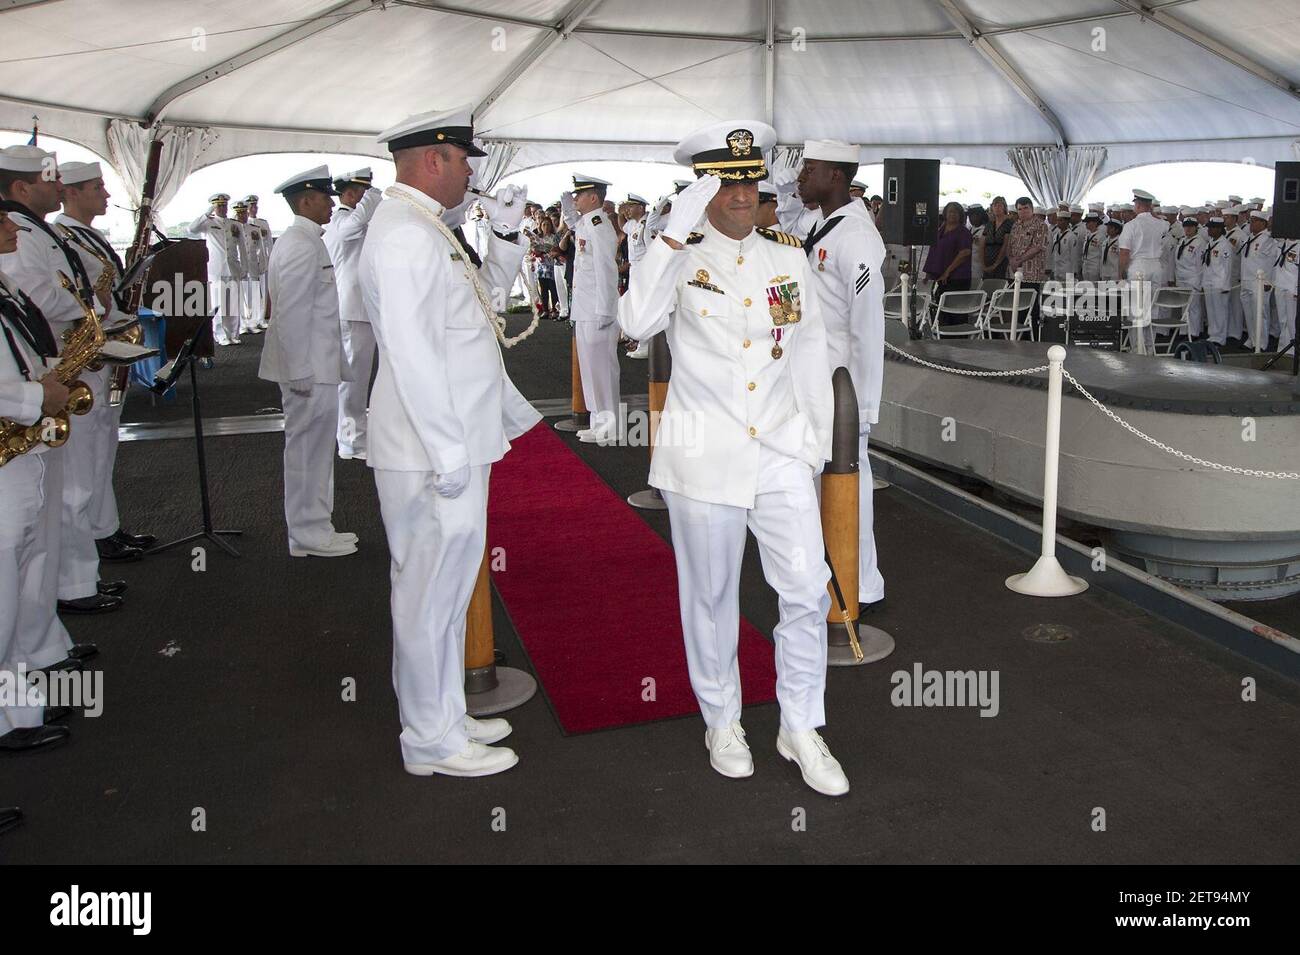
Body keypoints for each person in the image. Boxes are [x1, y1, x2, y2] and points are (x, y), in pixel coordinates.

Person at [619, 120, 849, 797]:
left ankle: (800, 723)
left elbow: (809, 352)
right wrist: (670, 231)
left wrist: (811, 444)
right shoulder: (678, 253)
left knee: (806, 589)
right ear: (703, 187)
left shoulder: (786, 254)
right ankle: (722, 718)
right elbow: (634, 324)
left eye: (749, 178)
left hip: (779, 450)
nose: (742, 192)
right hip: (704, 455)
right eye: (725, 180)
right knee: (713, 597)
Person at [360, 106, 539, 778]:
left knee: (447, 587)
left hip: (454, 436)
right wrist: (447, 449)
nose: (470, 173)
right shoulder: (405, 234)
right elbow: (410, 353)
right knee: (429, 590)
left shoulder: (425, 227)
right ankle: (429, 740)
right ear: (434, 158)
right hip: (431, 447)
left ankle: (442, 713)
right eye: (465, 160)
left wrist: (508, 235)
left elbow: (483, 303)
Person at [0, 146, 127, 616]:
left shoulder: (38, 229)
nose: (60, 187)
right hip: (44, 378)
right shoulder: (26, 235)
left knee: (72, 484)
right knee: (64, 490)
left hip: (61, 368)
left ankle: (75, 580)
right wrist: (88, 312)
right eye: (51, 180)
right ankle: (73, 585)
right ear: (21, 188)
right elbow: (40, 298)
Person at [796, 138, 887, 615]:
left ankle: (859, 582)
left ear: (835, 176)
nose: (800, 174)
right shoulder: (818, 224)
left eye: (809, 167)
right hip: (816, 383)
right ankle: (836, 574)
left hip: (843, 390)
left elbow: (868, 324)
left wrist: (865, 402)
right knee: (822, 483)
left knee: (849, 484)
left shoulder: (856, 237)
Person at [0, 205, 77, 758]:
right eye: (1, 221)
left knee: (16, 585)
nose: (12, 229)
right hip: (7, 452)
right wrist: (37, 397)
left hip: (19, 454)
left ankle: (13, 709)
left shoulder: (4, 285)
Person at [52, 161, 154, 571]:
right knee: (87, 451)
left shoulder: (87, 235)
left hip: (109, 347)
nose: (106, 195)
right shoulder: (62, 237)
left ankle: (104, 525)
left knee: (104, 447)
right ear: (72, 192)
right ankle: (94, 536)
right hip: (86, 356)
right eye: (97, 187)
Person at [257, 166, 356, 559]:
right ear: (306, 201)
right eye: (325, 197)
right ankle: (308, 531)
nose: (332, 204)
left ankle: (313, 528)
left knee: (313, 451)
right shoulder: (300, 244)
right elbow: (292, 313)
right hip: (310, 372)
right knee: (307, 453)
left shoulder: (304, 239)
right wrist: (299, 370)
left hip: (317, 368)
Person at [322, 168, 383, 461]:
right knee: (351, 383)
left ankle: (356, 434)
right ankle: (349, 440)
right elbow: (353, 226)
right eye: (363, 191)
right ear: (350, 192)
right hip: (351, 310)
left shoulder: (356, 221)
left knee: (358, 380)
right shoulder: (341, 220)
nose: (367, 197)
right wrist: (372, 199)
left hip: (362, 309)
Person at [560, 173, 620, 444]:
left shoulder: (599, 225)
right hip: (584, 309)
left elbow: (607, 269)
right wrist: (567, 209)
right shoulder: (587, 222)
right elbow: (574, 227)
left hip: (597, 309)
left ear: (593, 197)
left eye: (579, 195)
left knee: (602, 370)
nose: (576, 199)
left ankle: (609, 425)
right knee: (589, 369)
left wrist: (607, 309)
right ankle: (598, 420)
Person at [188, 193, 246, 346]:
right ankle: (220, 334)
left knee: (233, 303)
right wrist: (207, 213)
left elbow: (243, 248)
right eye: (218, 205)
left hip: (233, 268)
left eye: (224, 205)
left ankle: (234, 334)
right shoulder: (208, 223)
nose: (222, 208)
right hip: (216, 269)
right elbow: (191, 229)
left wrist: (244, 268)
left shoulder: (235, 225)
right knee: (219, 303)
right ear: (214, 207)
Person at [1118, 189, 1167, 354]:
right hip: (1156, 266)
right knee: (1153, 307)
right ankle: (1149, 346)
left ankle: (1136, 347)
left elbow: (1124, 253)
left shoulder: (1131, 225)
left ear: (1138, 205)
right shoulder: (1162, 224)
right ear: (1150, 206)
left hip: (1138, 266)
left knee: (1136, 308)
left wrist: (1122, 273)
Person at [923, 201, 973, 324]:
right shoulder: (941, 230)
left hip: (958, 277)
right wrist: (929, 273)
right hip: (942, 278)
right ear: (945, 213)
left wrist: (948, 271)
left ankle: (959, 340)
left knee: (956, 313)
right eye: (950, 211)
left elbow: (965, 253)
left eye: (956, 212)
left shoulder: (963, 232)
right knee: (943, 312)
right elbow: (934, 251)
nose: (953, 214)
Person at [1007, 196, 1049, 333]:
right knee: (1017, 307)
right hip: (1015, 273)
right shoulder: (1016, 225)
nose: (1023, 212)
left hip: (1032, 273)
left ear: (1032, 209)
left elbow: (1037, 247)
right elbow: (1009, 245)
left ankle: (1032, 336)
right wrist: (1011, 260)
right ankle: (1018, 334)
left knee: (1031, 307)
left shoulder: (1040, 225)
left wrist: (1019, 260)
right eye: (1020, 209)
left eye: (1026, 208)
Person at [1239, 210, 1279, 350]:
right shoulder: (1248, 238)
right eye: (1251, 220)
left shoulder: (1268, 239)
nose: (1252, 223)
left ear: (1263, 223)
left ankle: (1261, 343)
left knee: (1260, 313)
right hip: (1246, 279)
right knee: (1249, 312)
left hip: (1260, 281)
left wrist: (1269, 281)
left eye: (1255, 221)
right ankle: (1252, 338)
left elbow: (1272, 263)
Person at [1173, 215, 1207, 339]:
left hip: (1193, 278)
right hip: (1181, 277)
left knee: (1194, 307)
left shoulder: (1200, 242)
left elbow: (1200, 265)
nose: (1187, 229)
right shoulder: (1182, 241)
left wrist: (1199, 282)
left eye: (1190, 227)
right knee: (1184, 307)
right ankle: (1184, 331)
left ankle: (1194, 332)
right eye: (1186, 226)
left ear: (1195, 228)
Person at [1201, 217, 1233, 345]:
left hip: (1220, 283)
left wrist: (1226, 286)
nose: (1209, 230)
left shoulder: (1225, 245)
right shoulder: (1210, 243)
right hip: (1209, 281)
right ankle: (1213, 334)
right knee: (1211, 311)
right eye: (1208, 227)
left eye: (1212, 227)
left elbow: (1227, 267)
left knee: (1220, 311)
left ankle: (1220, 338)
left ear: (1219, 229)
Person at [244, 195, 272, 332]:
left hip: (263, 261)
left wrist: (270, 259)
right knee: (252, 292)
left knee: (264, 291)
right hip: (250, 262)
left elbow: (269, 243)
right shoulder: (243, 224)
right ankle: (252, 321)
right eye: (251, 206)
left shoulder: (263, 223)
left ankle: (261, 319)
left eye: (255, 206)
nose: (254, 208)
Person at [1274, 227, 1298, 351]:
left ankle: (1293, 349)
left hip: (1292, 287)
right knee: (1282, 319)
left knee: (1292, 320)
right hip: (1280, 285)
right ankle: (1283, 347)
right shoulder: (1283, 243)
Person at [983, 196, 1013, 280]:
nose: (997, 208)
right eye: (995, 205)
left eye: (1000, 205)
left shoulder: (1009, 223)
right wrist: (983, 264)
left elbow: (1005, 245)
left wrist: (995, 265)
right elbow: (982, 244)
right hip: (988, 260)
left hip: (1002, 261)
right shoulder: (989, 224)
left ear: (1004, 208)